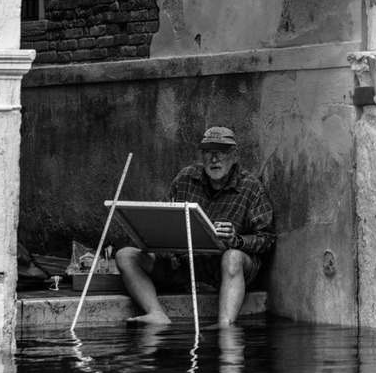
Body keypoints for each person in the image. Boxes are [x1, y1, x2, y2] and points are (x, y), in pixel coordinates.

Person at [115, 125, 275, 327]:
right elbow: (164, 216)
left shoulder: (251, 188)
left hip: (224, 270)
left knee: (232, 257)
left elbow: (268, 239)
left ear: (234, 156)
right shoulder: (186, 178)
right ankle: (156, 313)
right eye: (208, 152)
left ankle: (225, 327)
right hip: (183, 264)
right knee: (125, 255)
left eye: (221, 152)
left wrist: (237, 240)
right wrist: (152, 236)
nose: (214, 158)